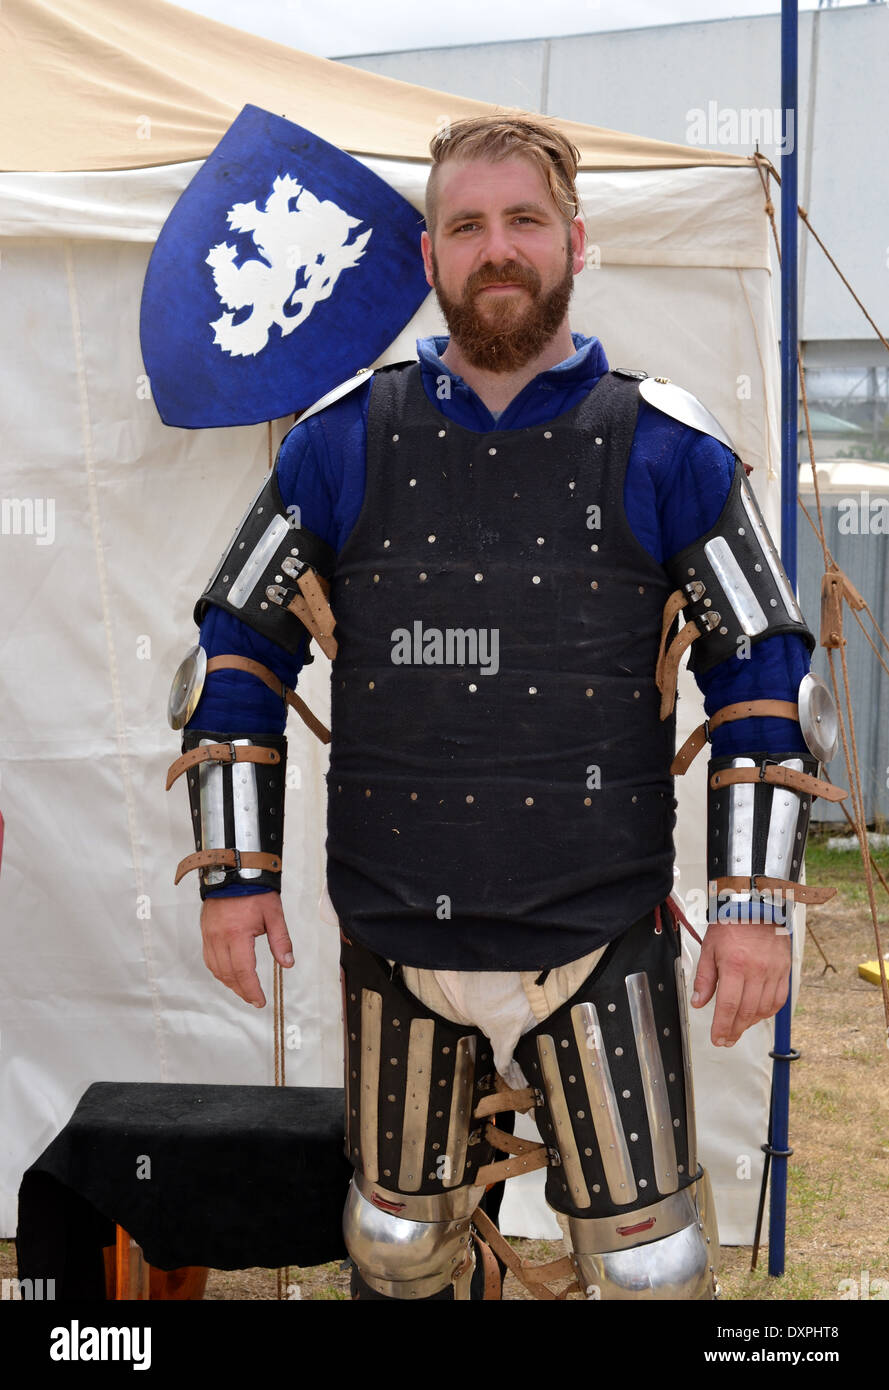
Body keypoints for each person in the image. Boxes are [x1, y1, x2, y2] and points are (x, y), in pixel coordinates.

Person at [167, 114, 837, 1300]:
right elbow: (238, 651)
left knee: (650, 1268)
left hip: (599, 927)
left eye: (522, 221)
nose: (497, 249)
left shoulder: (667, 447)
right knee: (396, 1247)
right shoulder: (338, 445)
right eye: (465, 226)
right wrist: (235, 876)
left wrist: (747, 907)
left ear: (573, 240)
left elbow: (759, 674)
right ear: (428, 257)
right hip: (394, 924)